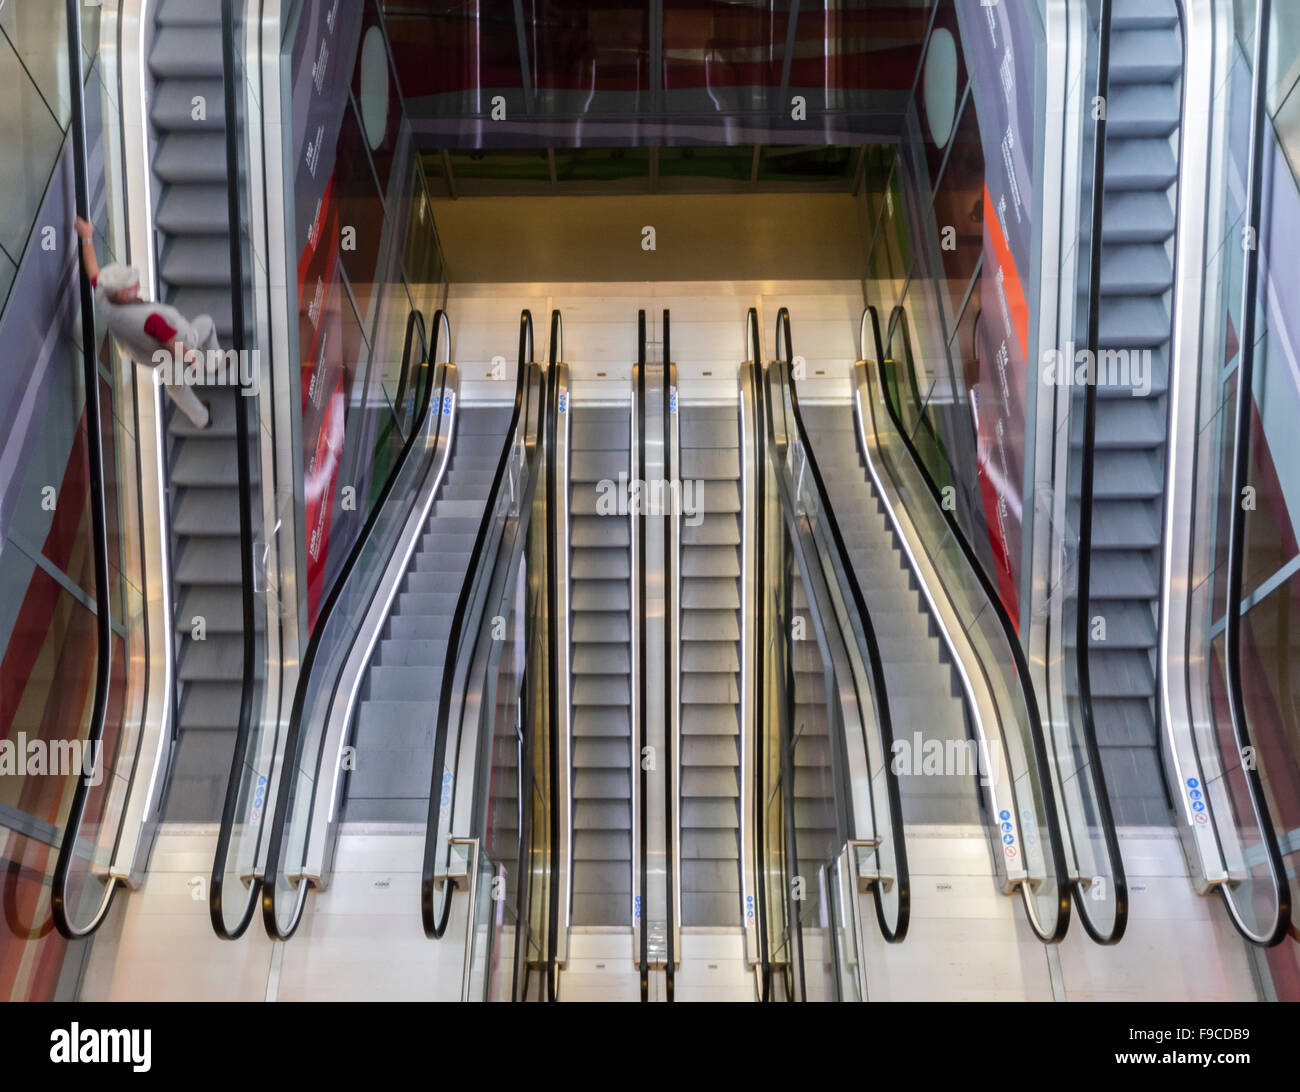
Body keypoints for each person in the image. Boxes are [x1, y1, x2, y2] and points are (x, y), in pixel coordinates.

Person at [74, 217, 218, 429]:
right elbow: (172, 344)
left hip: (149, 356)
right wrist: (191, 359)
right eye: (133, 286)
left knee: (176, 387)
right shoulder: (150, 319)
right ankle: (214, 365)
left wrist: (86, 238)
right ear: (122, 293)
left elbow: (93, 272)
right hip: (176, 348)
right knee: (206, 323)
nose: (137, 285)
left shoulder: (106, 299)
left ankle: (202, 419)